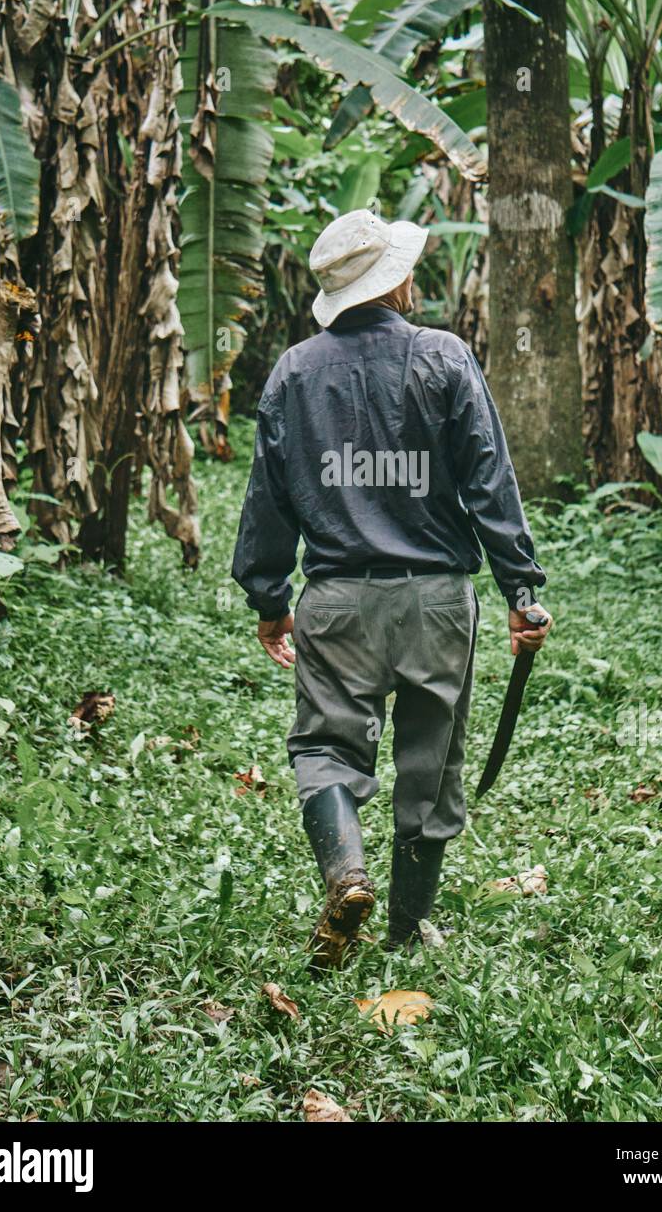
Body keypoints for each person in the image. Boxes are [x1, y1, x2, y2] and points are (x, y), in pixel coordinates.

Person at [232, 209, 552, 967]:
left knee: (323, 747)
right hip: (438, 602)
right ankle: (407, 929)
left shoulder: (295, 371)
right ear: (397, 281)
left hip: (336, 600)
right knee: (430, 765)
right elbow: (488, 480)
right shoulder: (443, 357)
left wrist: (269, 601)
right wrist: (520, 588)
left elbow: (268, 501)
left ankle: (347, 873)